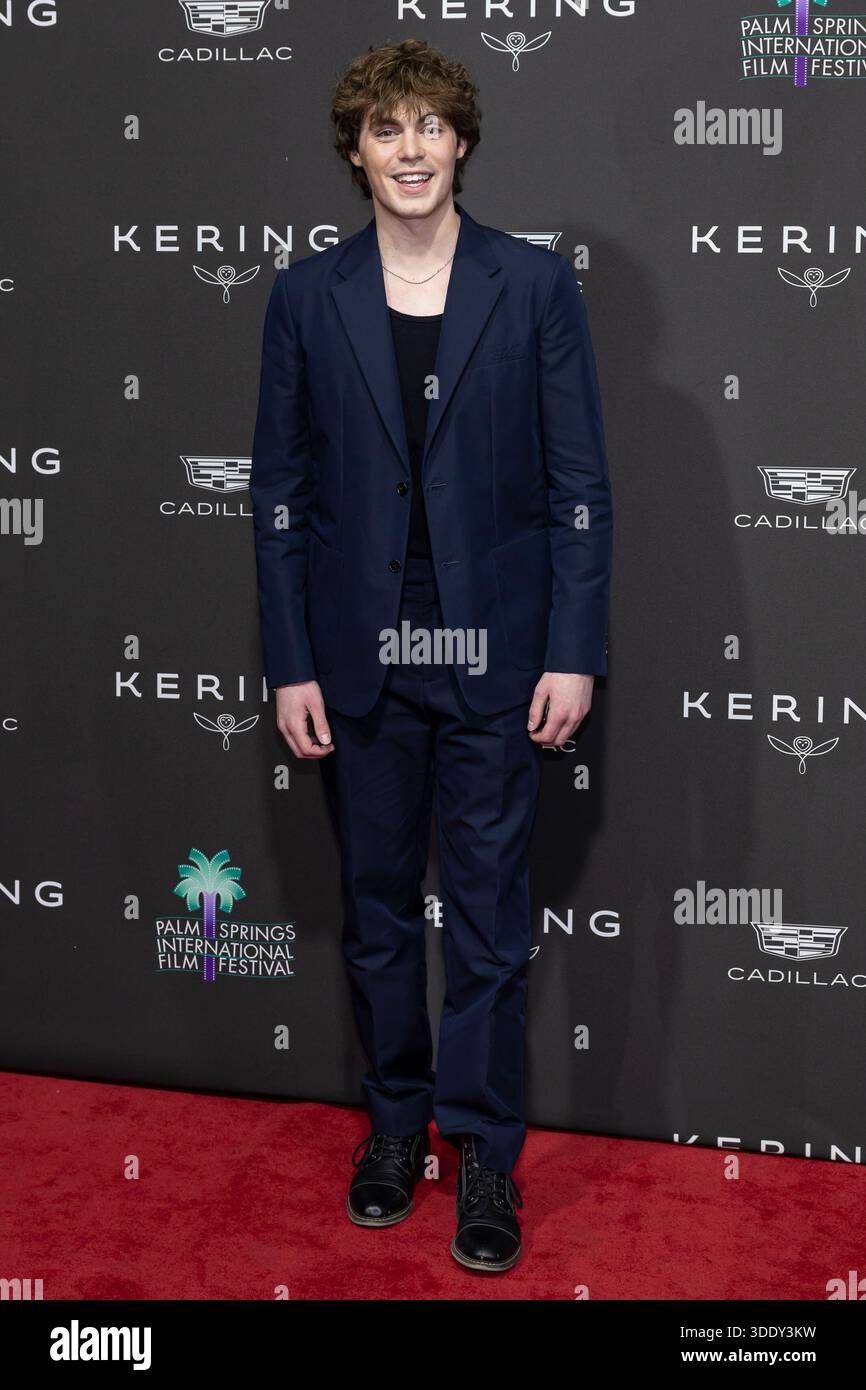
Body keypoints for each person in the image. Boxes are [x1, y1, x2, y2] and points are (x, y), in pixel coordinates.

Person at [250, 37, 613, 1274]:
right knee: (373, 917)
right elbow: (279, 495)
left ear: (461, 144)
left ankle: (483, 1158)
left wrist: (571, 649)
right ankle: (395, 1131)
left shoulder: (532, 286)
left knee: (491, 926)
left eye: (431, 127)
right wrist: (289, 661)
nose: (410, 149)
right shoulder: (306, 297)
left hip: (496, 656)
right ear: (354, 151)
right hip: (358, 658)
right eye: (385, 129)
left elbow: (579, 486)